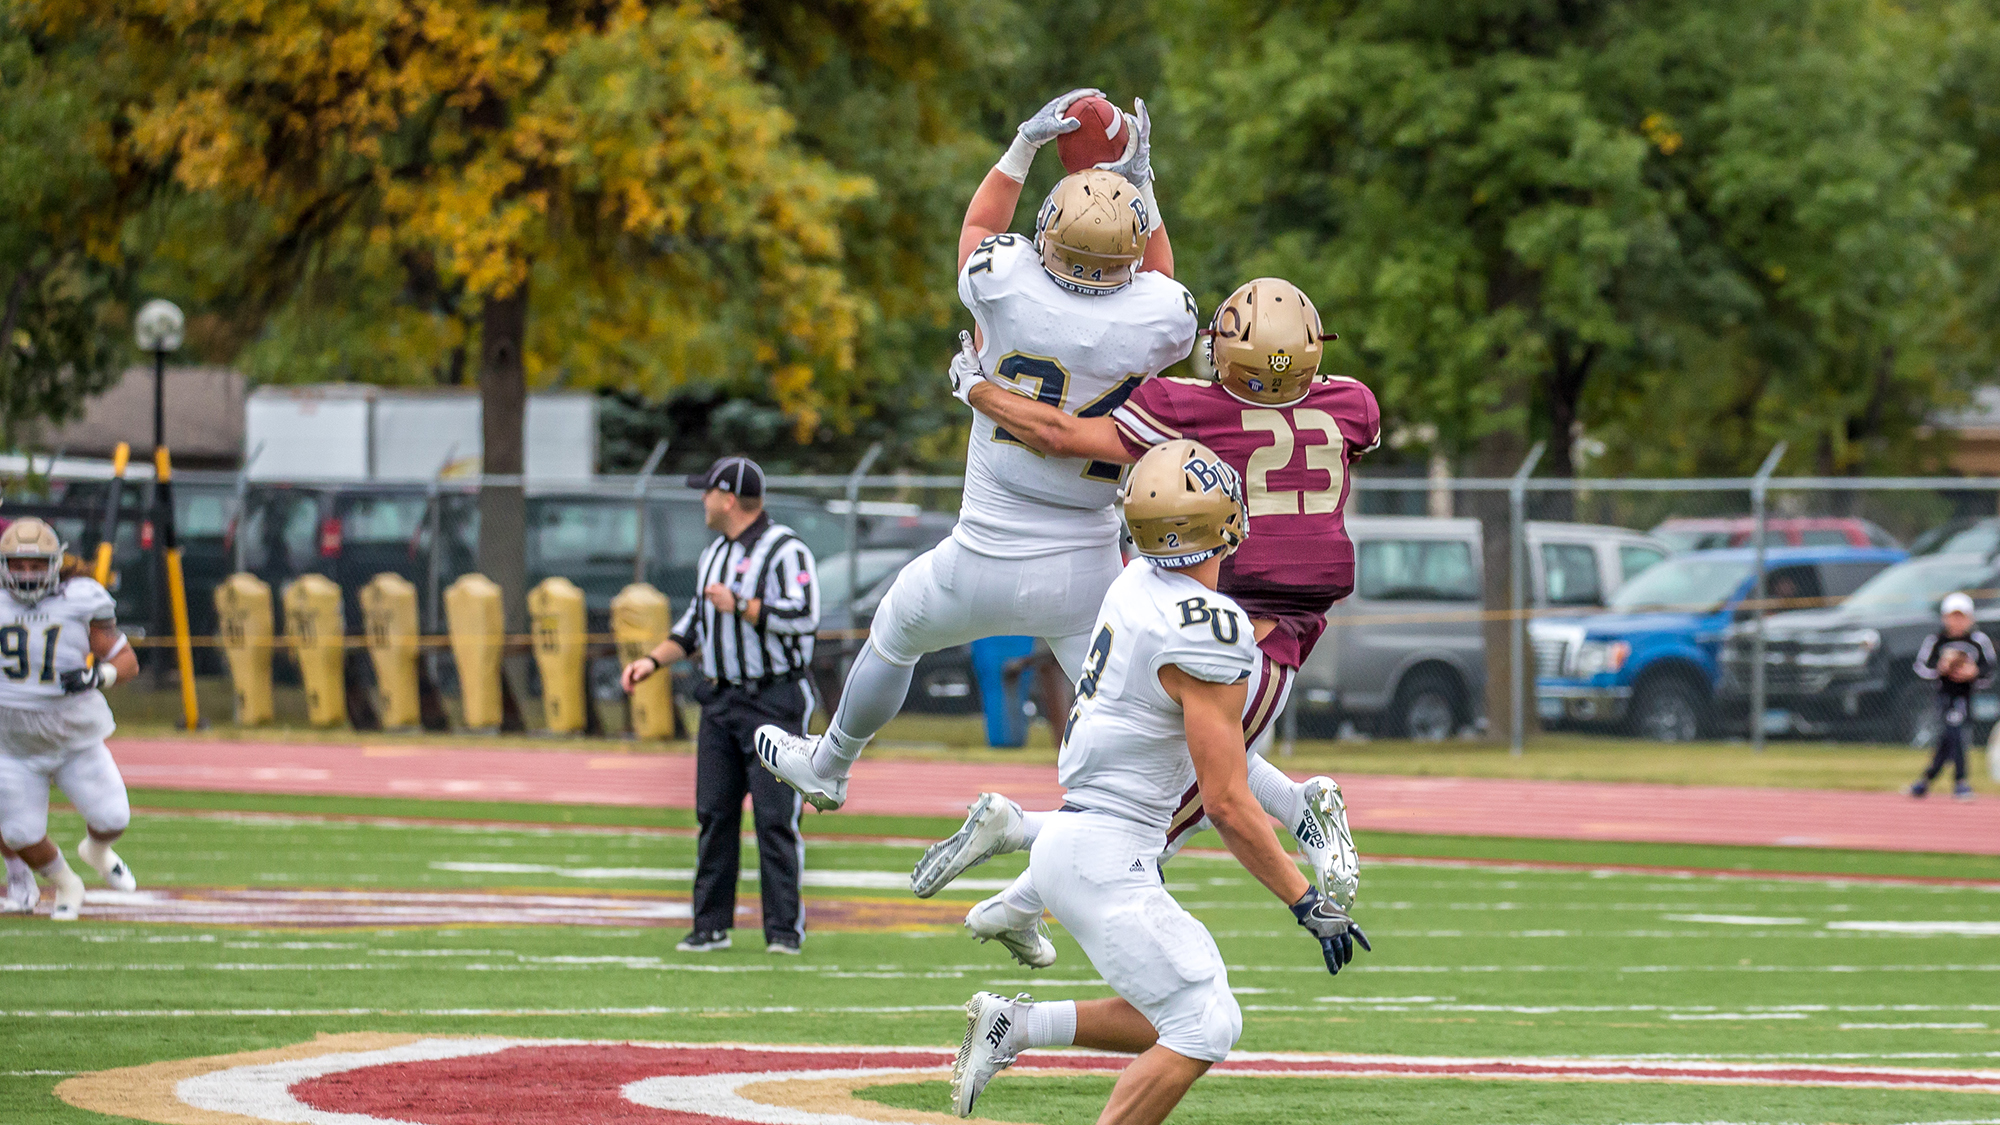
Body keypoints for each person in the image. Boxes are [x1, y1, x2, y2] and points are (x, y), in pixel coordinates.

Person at [754, 87, 1196, 810]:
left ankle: (832, 762)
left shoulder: (1006, 284)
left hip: (980, 549)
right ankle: (1141, 815)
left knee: (896, 627)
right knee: (1131, 717)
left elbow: (978, 227)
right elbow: (1160, 281)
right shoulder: (1158, 316)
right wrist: (1141, 186)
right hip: (1085, 567)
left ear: (1047, 234)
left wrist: (1023, 146)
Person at [911, 278, 1375, 961]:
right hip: (1252, 622)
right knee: (1154, 799)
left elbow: (1060, 434)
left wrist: (975, 387)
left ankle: (1018, 863)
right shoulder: (1351, 403)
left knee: (1156, 792)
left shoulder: (1185, 406)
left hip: (1190, 609)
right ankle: (1021, 846)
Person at [949, 440, 1369, 1121]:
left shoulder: (1135, 585)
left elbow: (1220, 759)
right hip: (1108, 855)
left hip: (1078, 843)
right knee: (1205, 1023)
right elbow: (1226, 799)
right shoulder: (1209, 627)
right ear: (1222, 522)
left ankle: (1015, 1026)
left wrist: (1292, 806)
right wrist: (1303, 899)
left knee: (1182, 1013)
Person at [620, 456, 821, 953]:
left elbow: (804, 617)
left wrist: (745, 606)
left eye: (706, 492)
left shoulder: (785, 550)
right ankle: (709, 925)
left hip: (773, 699)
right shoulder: (713, 554)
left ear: (728, 498)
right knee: (714, 814)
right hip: (721, 698)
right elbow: (694, 624)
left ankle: (782, 932)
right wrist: (652, 660)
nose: (702, 501)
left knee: (775, 818)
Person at [0, 518, 142, 921]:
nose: (27, 574)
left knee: (113, 817)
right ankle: (66, 883)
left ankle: (95, 851)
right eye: (17, 565)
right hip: (10, 741)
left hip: (73, 736)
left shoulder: (80, 596)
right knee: (19, 834)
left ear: (55, 563)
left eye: (36, 565)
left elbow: (126, 660)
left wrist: (100, 675)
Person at [1909, 591, 1992, 801]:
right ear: (1944, 618)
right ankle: (1961, 782)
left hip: (1965, 697)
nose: (1956, 621)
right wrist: (1940, 668)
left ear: (1970, 618)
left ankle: (1925, 781)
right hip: (1944, 696)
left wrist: (1973, 673)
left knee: (1949, 739)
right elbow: (1921, 668)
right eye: (1952, 616)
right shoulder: (1936, 641)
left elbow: (1990, 670)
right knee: (1955, 735)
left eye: (1961, 616)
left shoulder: (1978, 641)